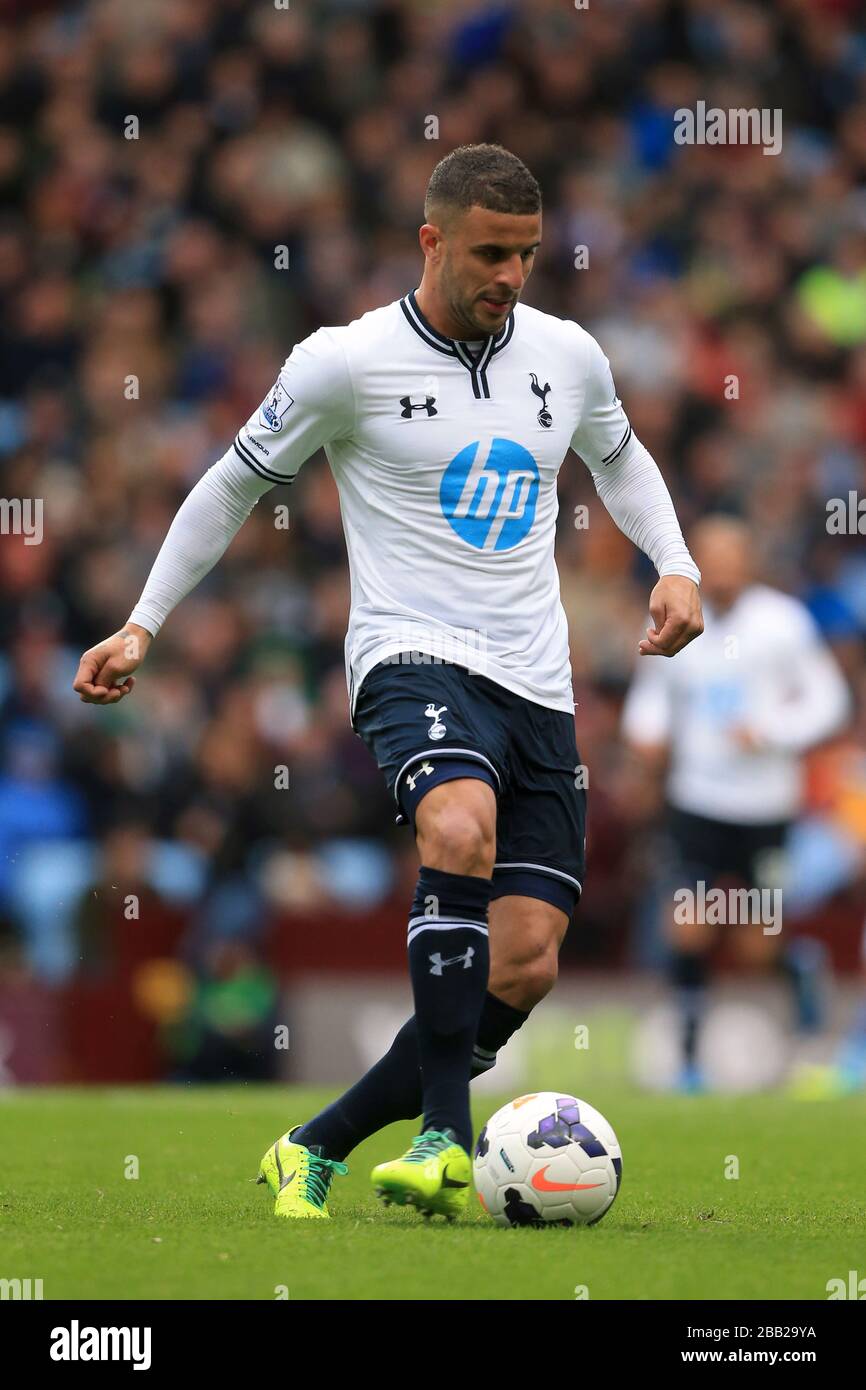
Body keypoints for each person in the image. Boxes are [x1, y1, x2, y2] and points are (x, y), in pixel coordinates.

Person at [74, 143, 703, 1220]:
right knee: (456, 830)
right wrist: (142, 624)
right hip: (408, 654)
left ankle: (312, 1144)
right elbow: (228, 486)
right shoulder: (344, 362)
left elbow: (622, 458)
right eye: (488, 253)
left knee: (528, 961)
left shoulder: (567, 354)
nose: (509, 276)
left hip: (535, 681)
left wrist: (676, 563)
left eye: (526, 254)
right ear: (431, 240)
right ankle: (446, 1136)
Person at [622, 515, 850, 1091]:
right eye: (712, 557)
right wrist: (645, 734)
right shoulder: (678, 615)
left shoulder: (784, 623)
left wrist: (772, 730)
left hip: (765, 808)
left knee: (755, 943)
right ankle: (690, 1063)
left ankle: (800, 979)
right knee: (689, 928)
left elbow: (829, 700)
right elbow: (652, 695)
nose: (721, 568)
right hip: (697, 801)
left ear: (750, 561)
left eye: (732, 556)